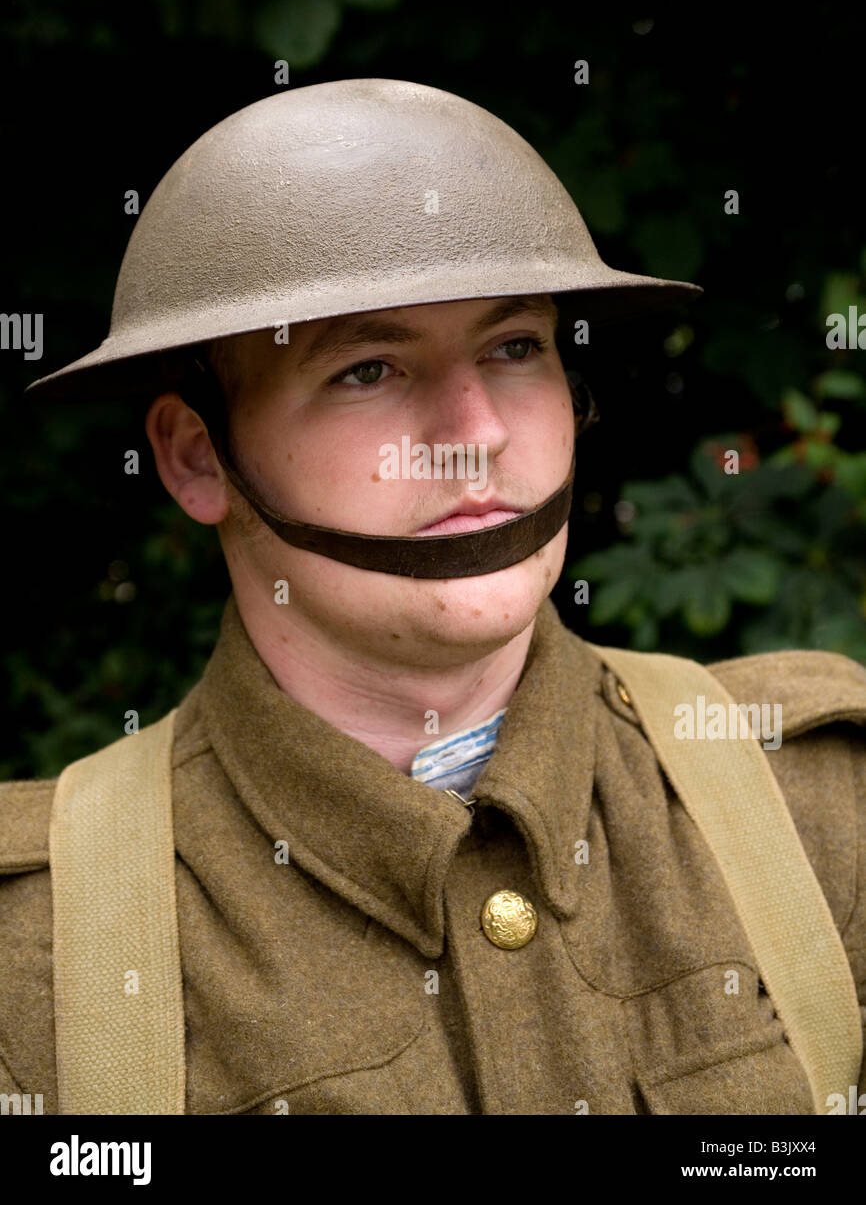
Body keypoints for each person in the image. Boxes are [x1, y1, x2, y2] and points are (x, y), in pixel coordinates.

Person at [3, 79, 866, 1116]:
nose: (475, 430)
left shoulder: (818, 808)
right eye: (368, 369)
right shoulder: (40, 960)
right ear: (196, 458)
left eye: (514, 349)